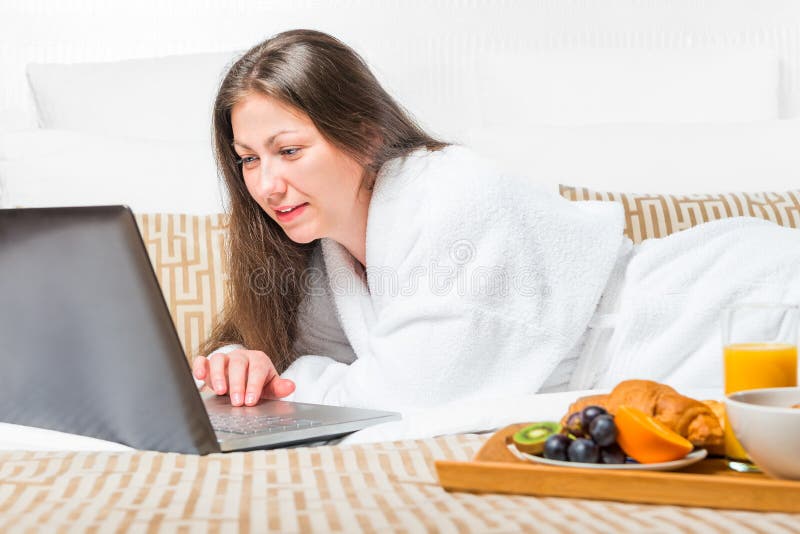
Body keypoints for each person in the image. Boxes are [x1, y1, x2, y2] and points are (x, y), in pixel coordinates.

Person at [193, 29, 800, 413]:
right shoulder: (328, 261)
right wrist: (250, 367)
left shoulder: (451, 194)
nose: (266, 185)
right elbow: (317, 373)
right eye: (248, 159)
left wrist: (295, 386)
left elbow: (415, 396)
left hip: (735, 311)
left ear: (366, 135)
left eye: (289, 150)